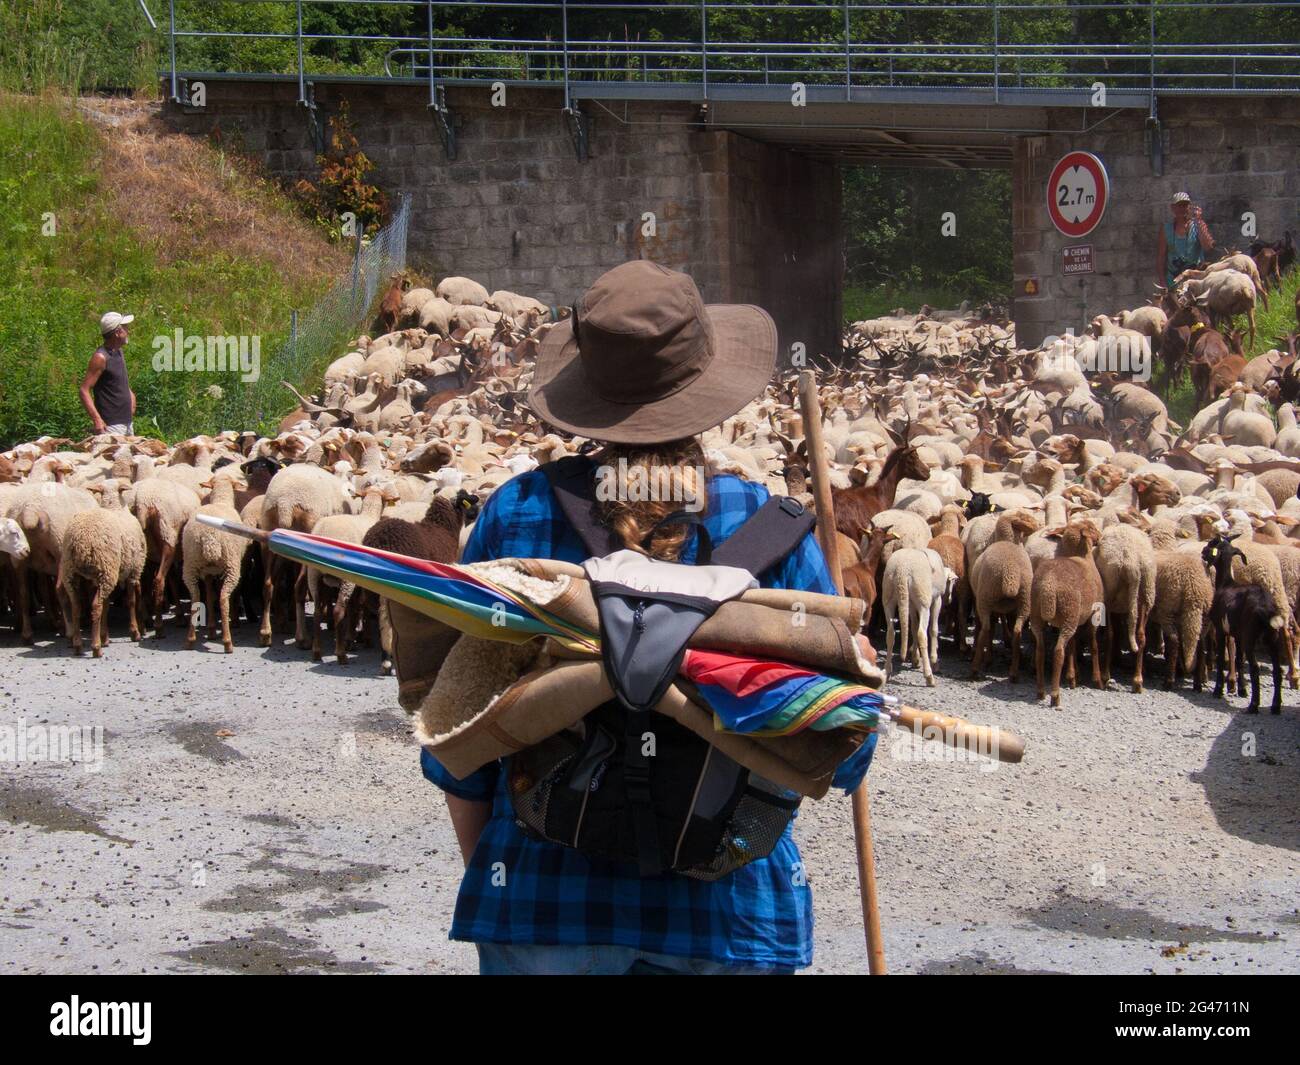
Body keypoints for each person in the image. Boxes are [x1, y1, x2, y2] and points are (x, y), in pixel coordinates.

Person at [417, 259, 878, 975]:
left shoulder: (514, 516)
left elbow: (457, 737)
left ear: (589, 390)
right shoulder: (775, 531)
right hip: (728, 924)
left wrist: (502, 880)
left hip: (544, 912)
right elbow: (843, 750)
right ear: (706, 389)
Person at [79, 311, 137, 436]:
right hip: (112, 426)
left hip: (127, 422)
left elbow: (116, 381)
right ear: (117, 333)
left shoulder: (118, 351)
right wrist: (97, 420)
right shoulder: (101, 357)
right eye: (125, 328)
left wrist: (130, 394)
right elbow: (84, 390)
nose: (129, 331)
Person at [1156, 191, 1215, 289]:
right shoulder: (1166, 229)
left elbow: (1207, 247)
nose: (1182, 209)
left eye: (1184, 205)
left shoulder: (1197, 226)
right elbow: (1161, 257)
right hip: (1174, 279)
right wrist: (1162, 281)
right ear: (1172, 208)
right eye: (1179, 206)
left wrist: (1199, 221)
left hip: (1195, 279)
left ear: (1189, 207)